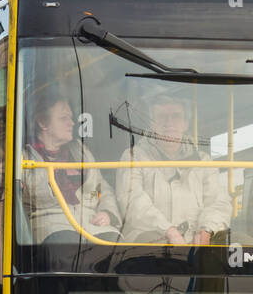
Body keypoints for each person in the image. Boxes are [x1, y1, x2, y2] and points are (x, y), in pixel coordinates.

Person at [115, 92, 233, 247]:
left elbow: (218, 201)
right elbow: (132, 202)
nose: (169, 123)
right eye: (161, 117)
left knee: (245, 244)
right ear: (152, 123)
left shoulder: (203, 160)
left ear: (185, 124)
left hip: (196, 236)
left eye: (176, 116)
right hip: (150, 238)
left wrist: (206, 230)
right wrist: (169, 230)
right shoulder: (133, 156)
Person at [23, 90, 120, 267]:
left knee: (119, 250)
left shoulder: (81, 153)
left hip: (92, 225)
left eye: (71, 117)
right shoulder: (25, 159)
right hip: (54, 225)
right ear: (43, 122)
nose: (72, 122)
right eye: (64, 118)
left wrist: (107, 213)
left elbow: (103, 190)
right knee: (67, 249)